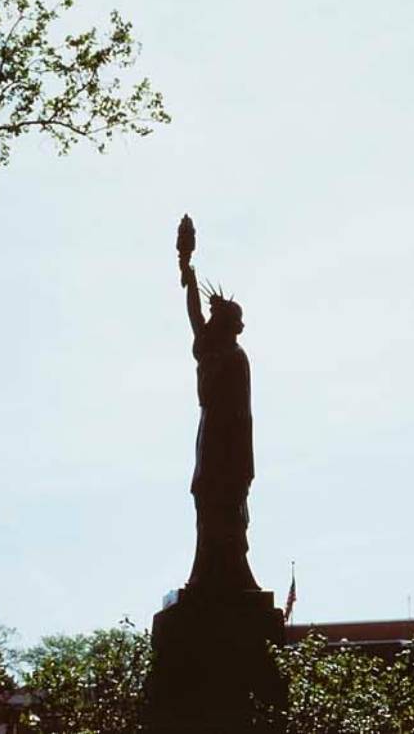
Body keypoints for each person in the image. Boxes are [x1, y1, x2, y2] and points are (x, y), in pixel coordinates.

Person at [177, 215, 259, 592]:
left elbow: (242, 416)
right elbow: (194, 317)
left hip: (228, 444)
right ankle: (206, 570)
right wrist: (189, 277)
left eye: (216, 316)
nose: (208, 320)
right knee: (205, 500)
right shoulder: (214, 351)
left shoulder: (234, 357)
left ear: (229, 323)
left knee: (222, 502)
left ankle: (228, 573)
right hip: (210, 434)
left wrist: (239, 463)